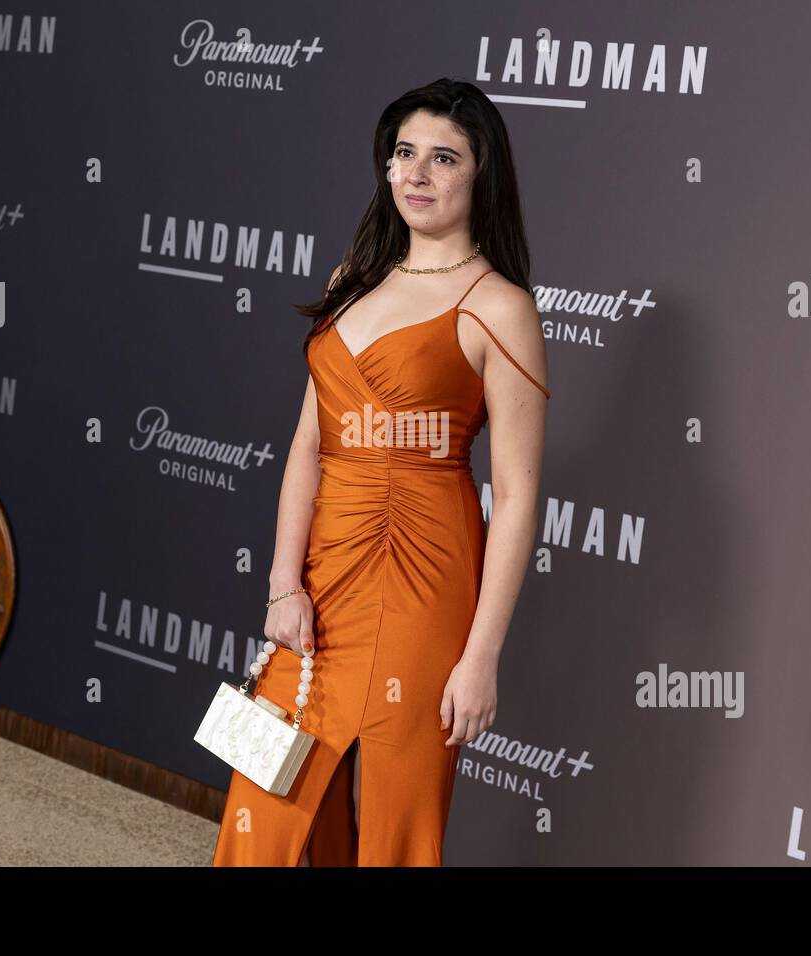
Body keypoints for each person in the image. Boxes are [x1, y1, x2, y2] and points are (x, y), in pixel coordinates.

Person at [212, 77, 550, 867]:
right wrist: (283, 583)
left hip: (425, 582)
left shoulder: (499, 308)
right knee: (261, 799)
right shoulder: (351, 279)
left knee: (398, 823)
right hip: (322, 578)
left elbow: (521, 491)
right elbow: (308, 446)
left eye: (444, 158)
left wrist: (480, 655)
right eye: (403, 154)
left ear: (481, 175)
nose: (417, 174)